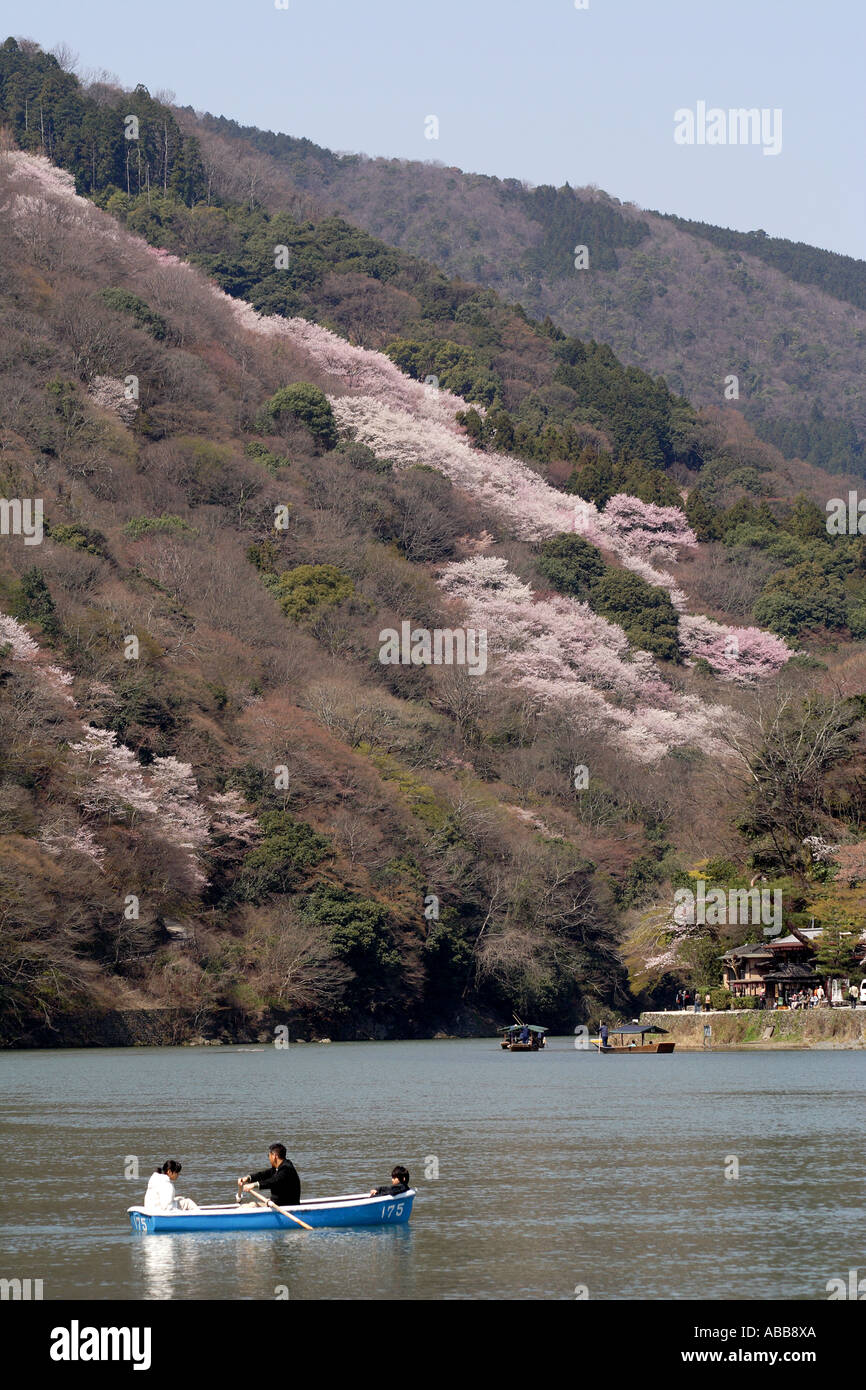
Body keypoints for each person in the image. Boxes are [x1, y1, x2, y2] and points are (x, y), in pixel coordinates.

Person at [238, 1143, 301, 1207]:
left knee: (251, 1206)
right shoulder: (277, 1168)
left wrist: (253, 1185)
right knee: (251, 1204)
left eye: (269, 1155)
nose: (269, 1158)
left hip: (287, 1207)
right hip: (276, 1204)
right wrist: (247, 1178)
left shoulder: (286, 1169)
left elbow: (273, 1182)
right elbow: (263, 1175)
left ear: (274, 1156)